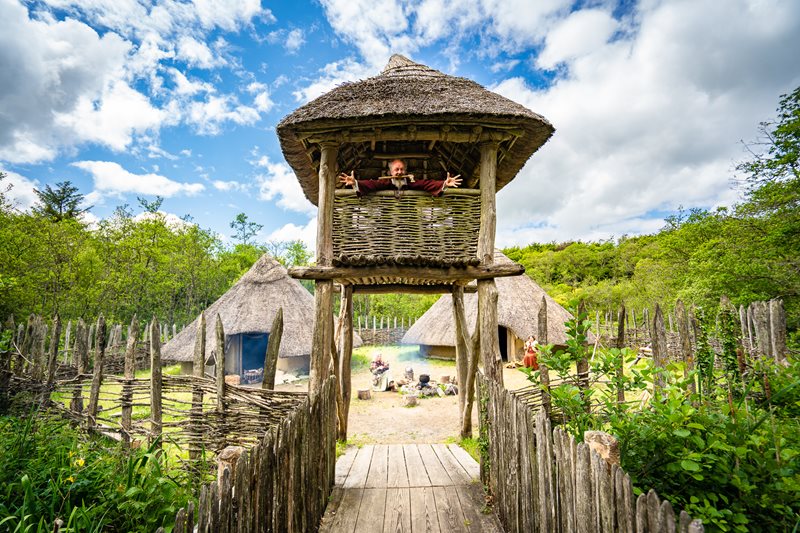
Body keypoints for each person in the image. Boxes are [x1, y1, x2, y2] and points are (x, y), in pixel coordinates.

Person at [339, 159, 462, 197]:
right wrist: (355, 182)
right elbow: (371, 184)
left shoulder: (411, 182)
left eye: (401, 169)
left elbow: (427, 184)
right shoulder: (385, 182)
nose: (399, 172)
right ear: (390, 171)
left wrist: (445, 183)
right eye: (396, 170)